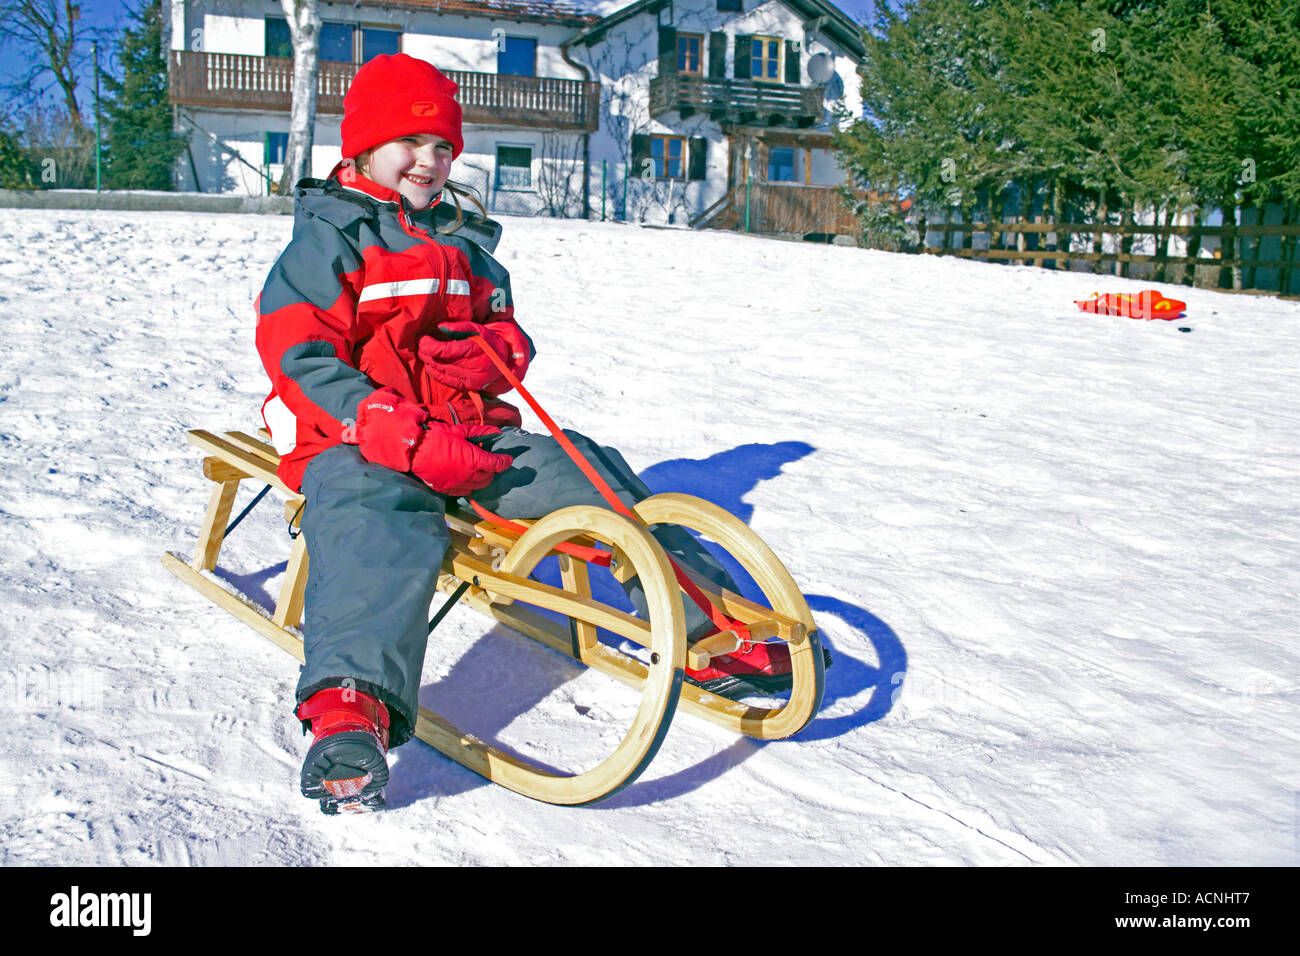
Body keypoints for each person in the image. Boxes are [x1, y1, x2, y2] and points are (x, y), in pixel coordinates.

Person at [255, 54, 792, 813]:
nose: (430, 160)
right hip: (353, 438)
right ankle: (352, 706)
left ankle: (709, 629)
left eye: (443, 145)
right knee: (375, 519)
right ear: (363, 147)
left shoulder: (463, 238)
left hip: (464, 432)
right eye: (410, 141)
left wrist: (497, 353)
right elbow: (297, 353)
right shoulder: (329, 240)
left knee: (588, 469)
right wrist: (384, 422)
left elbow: (496, 323)